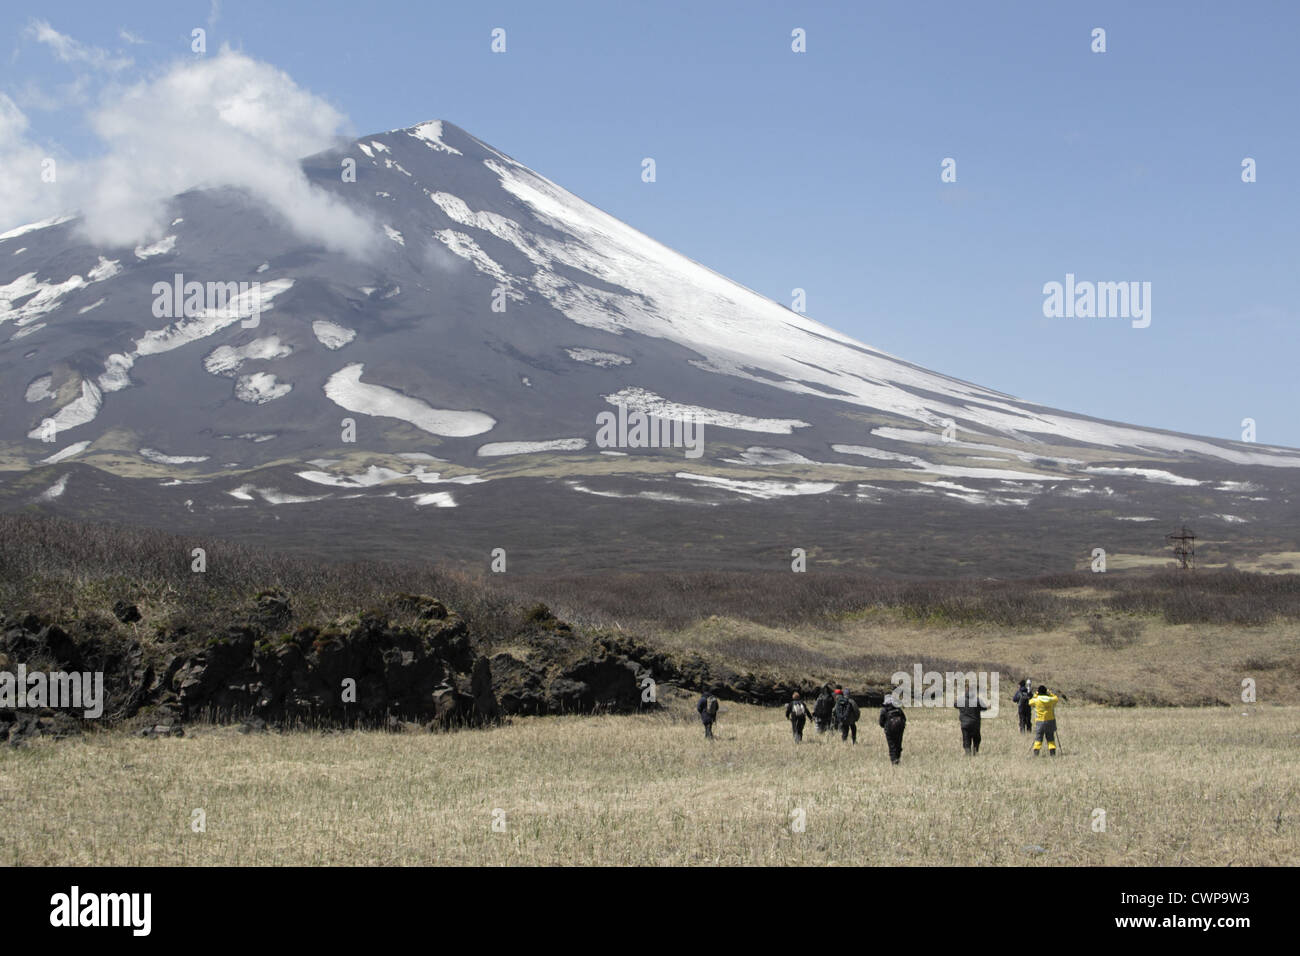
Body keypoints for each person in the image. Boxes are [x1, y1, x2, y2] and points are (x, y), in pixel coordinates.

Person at [954, 688, 988, 755]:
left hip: (964, 724)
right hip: (975, 724)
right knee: (976, 738)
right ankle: (975, 752)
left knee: (966, 738)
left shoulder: (961, 700)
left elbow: (955, 705)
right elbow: (984, 708)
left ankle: (968, 753)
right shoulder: (977, 700)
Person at [1028, 684, 1060, 756]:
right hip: (1050, 721)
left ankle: (1036, 754)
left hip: (1040, 722)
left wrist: (1036, 694)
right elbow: (1056, 698)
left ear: (1038, 692)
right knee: (1050, 738)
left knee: (1038, 738)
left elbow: (1030, 702)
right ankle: (1052, 754)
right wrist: (1050, 693)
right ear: (1046, 692)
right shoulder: (1051, 700)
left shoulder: (1036, 700)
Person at [878, 692, 907, 764]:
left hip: (889, 729)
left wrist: (885, 726)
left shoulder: (884, 710)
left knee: (892, 745)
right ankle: (898, 758)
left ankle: (894, 761)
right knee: (898, 743)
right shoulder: (898, 708)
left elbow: (881, 722)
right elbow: (904, 718)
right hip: (900, 728)